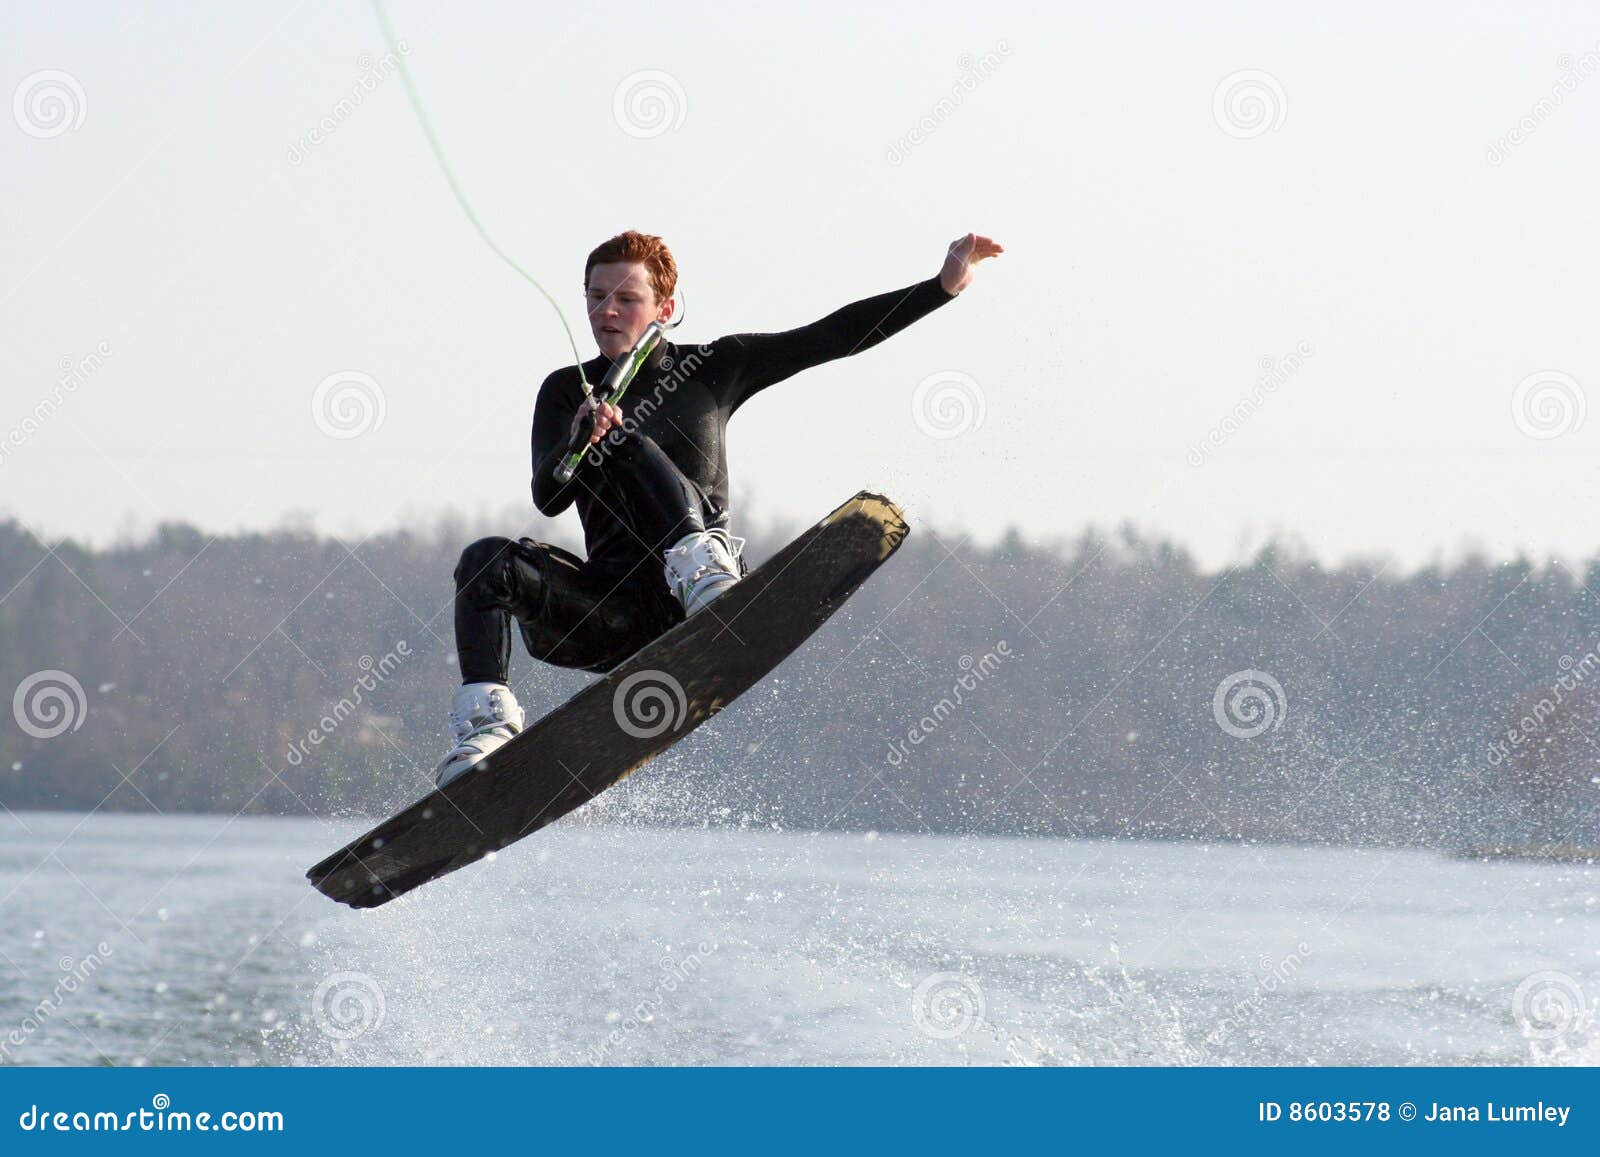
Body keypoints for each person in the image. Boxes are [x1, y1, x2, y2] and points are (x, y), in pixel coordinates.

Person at [434, 229, 1004, 785]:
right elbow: (549, 497)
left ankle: (704, 577)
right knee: (485, 561)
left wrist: (940, 288)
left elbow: (831, 335)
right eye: (596, 297)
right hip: (608, 620)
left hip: (701, 601)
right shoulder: (567, 391)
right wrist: (577, 441)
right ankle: (486, 733)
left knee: (627, 438)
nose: (607, 311)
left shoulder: (714, 366)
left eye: (626, 299)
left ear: (665, 307)